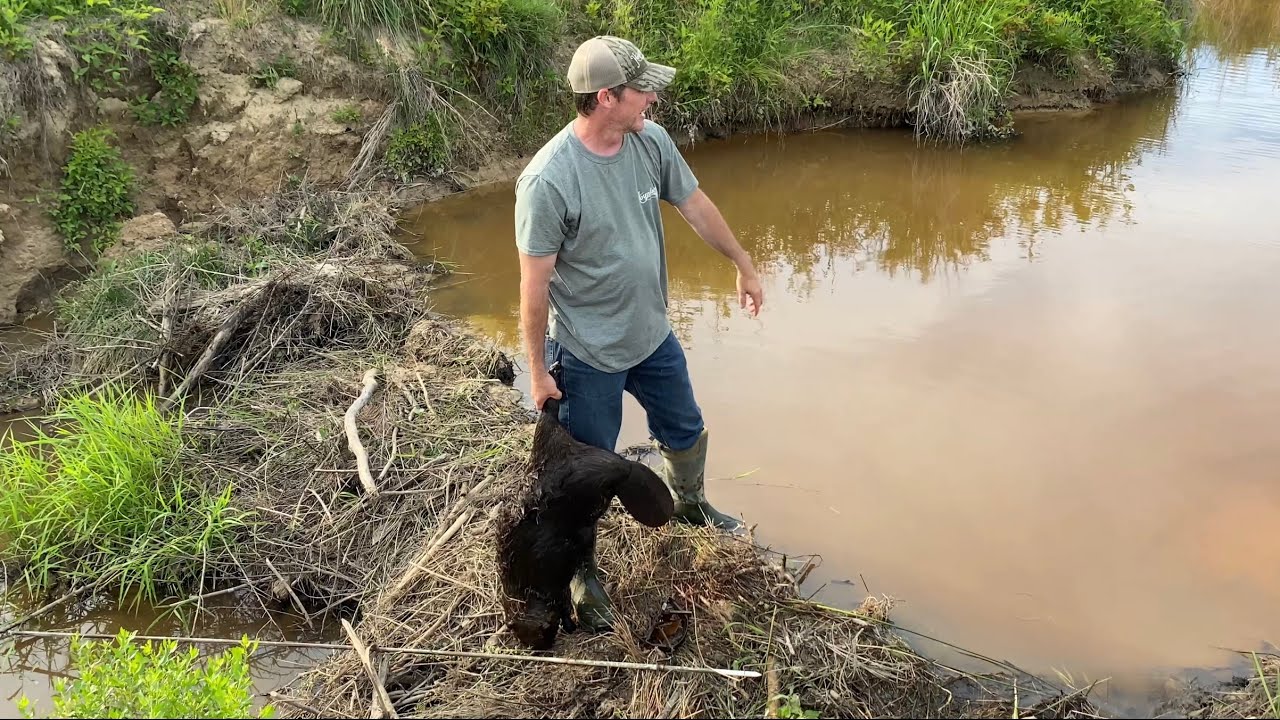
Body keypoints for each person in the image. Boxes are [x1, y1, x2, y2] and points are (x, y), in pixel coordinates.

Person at [513, 35, 764, 631]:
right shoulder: (549, 180)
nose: (653, 98)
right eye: (642, 90)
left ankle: (691, 505)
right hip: (587, 352)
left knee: (685, 428)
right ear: (606, 97)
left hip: (651, 335)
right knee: (586, 471)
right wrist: (538, 371)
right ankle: (582, 572)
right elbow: (533, 286)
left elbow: (695, 204)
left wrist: (743, 262)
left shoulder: (650, 141)